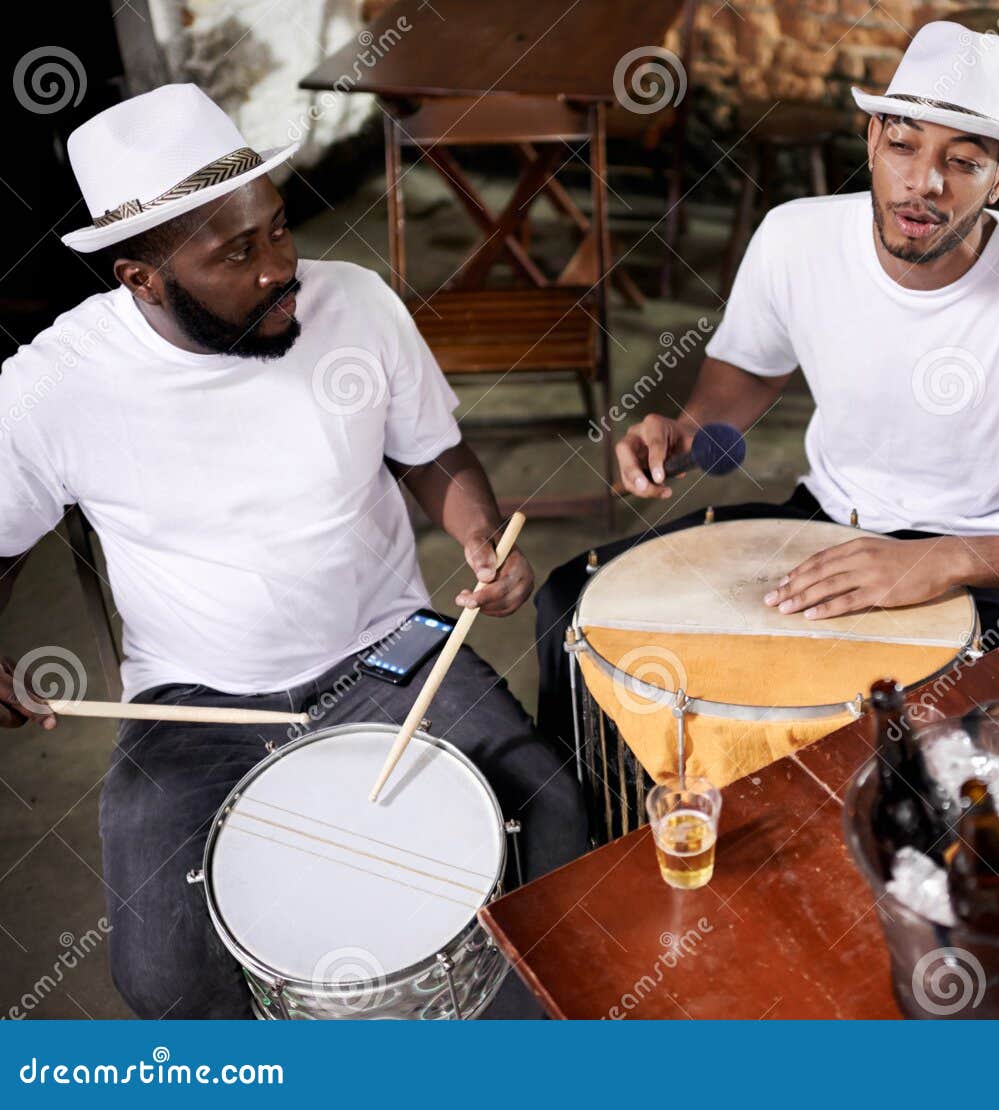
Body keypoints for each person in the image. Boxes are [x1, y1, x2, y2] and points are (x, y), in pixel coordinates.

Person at [0, 84, 586, 1017]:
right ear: (141, 279)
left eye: (279, 228)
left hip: (389, 651)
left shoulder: (356, 304)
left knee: (553, 816)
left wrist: (478, 530)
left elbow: (431, 452)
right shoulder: (51, 388)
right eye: (238, 252)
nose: (282, 267)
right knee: (162, 973)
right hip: (195, 699)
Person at [535, 21, 999, 745]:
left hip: (987, 563)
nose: (923, 183)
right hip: (828, 522)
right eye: (903, 146)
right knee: (570, 605)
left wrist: (940, 560)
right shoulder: (793, 238)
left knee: (891, 754)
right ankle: (611, 820)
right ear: (871, 140)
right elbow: (750, 366)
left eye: (962, 161)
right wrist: (691, 428)